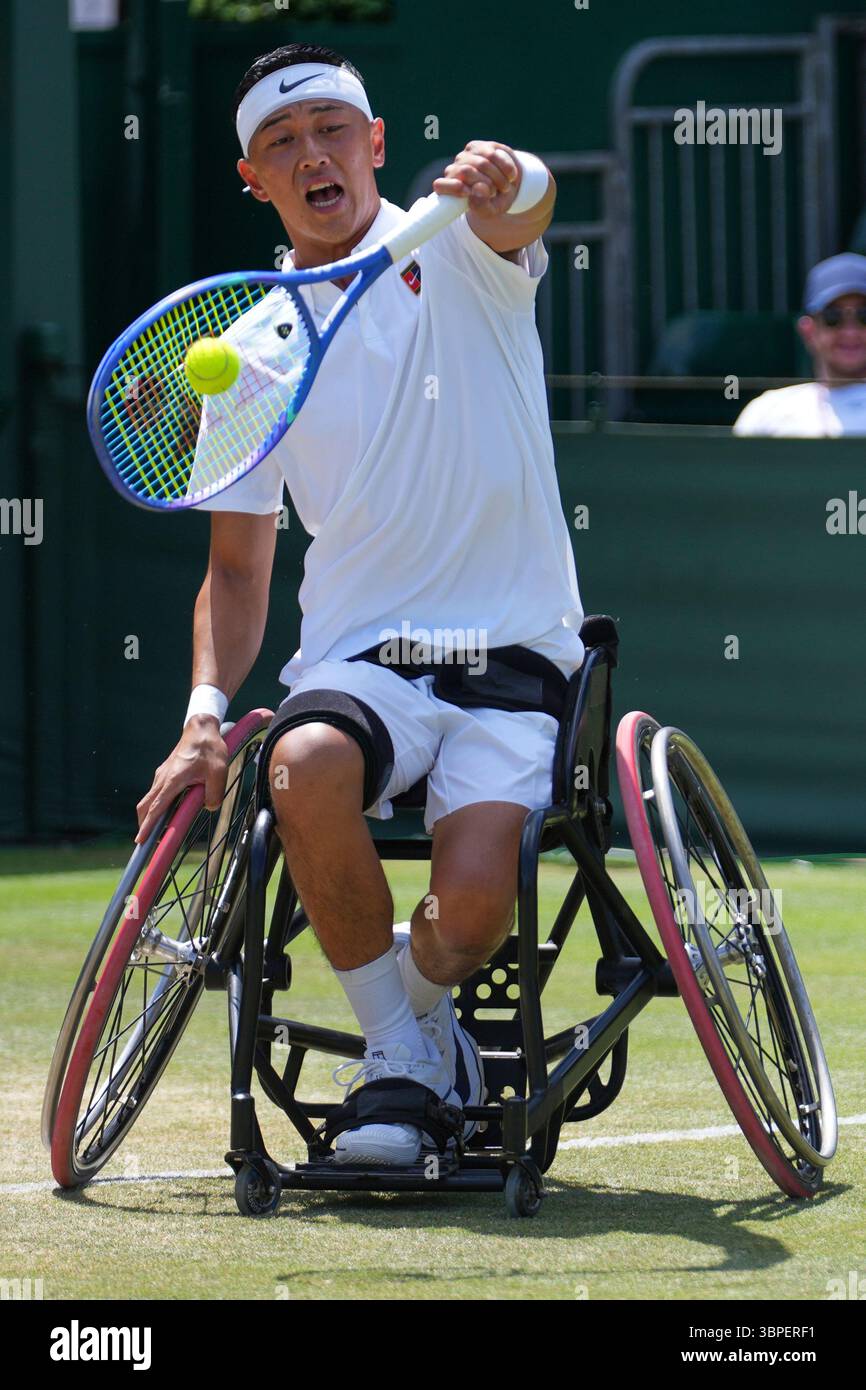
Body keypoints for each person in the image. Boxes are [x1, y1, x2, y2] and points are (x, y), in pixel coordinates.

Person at [134, 44, 584, 1166]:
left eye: (332, 129)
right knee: (301, 763)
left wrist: (507, 170)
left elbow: (527, 203)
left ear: (374, 145)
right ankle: (399, 1058)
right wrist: (201, 713)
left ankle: (414, 1011)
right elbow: (237, 572)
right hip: (359, 659)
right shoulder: (237, 361)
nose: (312, 155)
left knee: (475, 913)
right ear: (255, 179)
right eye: (281, 144)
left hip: (510, 647)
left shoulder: (459, 250)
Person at [733, 252, 866, 436]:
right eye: (832, 317)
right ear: (808, 331)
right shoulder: (767, 413)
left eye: (863, 316)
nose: (850, 332)